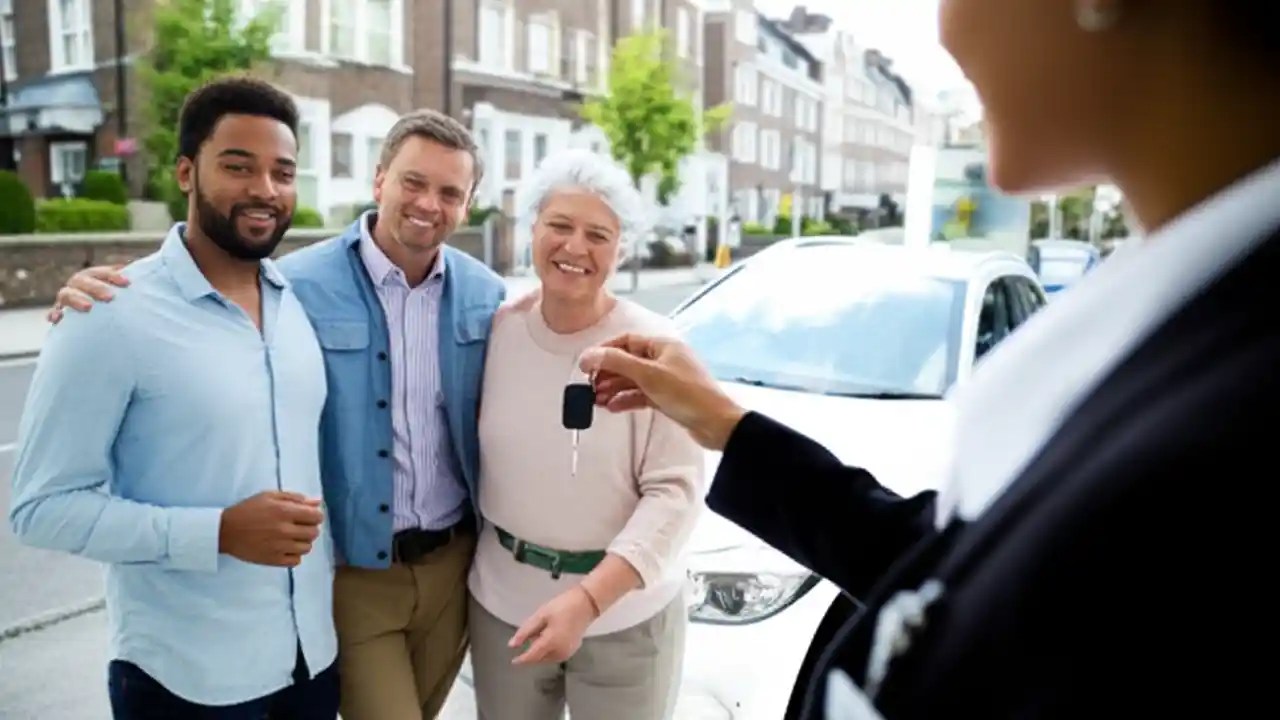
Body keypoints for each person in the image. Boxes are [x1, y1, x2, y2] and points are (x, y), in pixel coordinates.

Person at [579, 1, 1280, 718]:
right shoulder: (1197, 324)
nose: (943, 25)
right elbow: (983, 574)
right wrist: (727, 424)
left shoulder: (1237, 428)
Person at [47, 108, 506, 719]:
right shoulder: (294, 284)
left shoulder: (487, 294)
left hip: (452, 564)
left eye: (450, 192)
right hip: (355, 569)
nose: (428, 203)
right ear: (379, 182)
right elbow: (205, 281)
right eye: (413, 182)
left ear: (469, 204)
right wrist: (100, 296)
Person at [9, 76, 339, 718]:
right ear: (187, 172)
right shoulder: (108, 314)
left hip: (310, 659)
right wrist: (215, 531)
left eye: (283, 171)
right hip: (187, 678)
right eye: (238, 167)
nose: (265, 190)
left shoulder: (297, 302)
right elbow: (41, 508)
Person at [466, 149, 703, 719]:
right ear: (531, 231)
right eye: (560, 226)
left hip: (628, 614)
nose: (575, 247)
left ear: (622, 249)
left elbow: (675, 491)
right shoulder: (494, 333)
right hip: (505, 608)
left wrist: (589, 599)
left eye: (598, 234)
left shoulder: (654, 346)